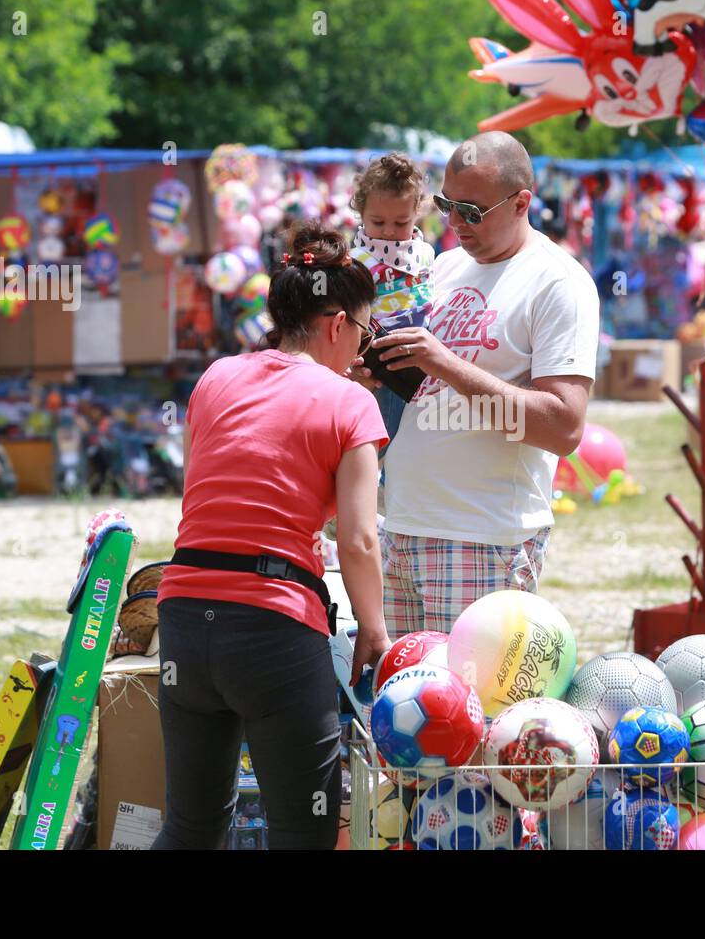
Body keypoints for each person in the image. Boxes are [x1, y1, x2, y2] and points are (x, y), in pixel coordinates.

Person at [152, 222, 391, 850]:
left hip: (182, 614)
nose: (360, 350)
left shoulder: (215, 379)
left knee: (191, 826)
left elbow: (210, 494)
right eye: (363, 333)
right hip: (273, 629)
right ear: (338, 323)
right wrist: (374, 628)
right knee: (303, 831)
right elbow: (360, 539)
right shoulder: (350, 403)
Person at [361, 131, 599, 635]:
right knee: (393, 707)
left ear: (521, 204)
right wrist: (368, 376)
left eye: (471, 210)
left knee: (468, 710)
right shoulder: (442, 268)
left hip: (483, 538)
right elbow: (419, 394)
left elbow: (564, 427)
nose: (453, 222)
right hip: (400, 529)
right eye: (447, 204)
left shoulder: (558, 282)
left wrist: (444, 362)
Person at [349, 152, 436, 448]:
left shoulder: (424, 252)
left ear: (417, 214)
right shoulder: (358, 261)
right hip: (383, 359)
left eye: (401, 222)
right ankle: (376, 483)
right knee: (384, 438)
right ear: (361, 213)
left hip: (427, 357)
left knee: (419, 437)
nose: (388, 231)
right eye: (378, 221)